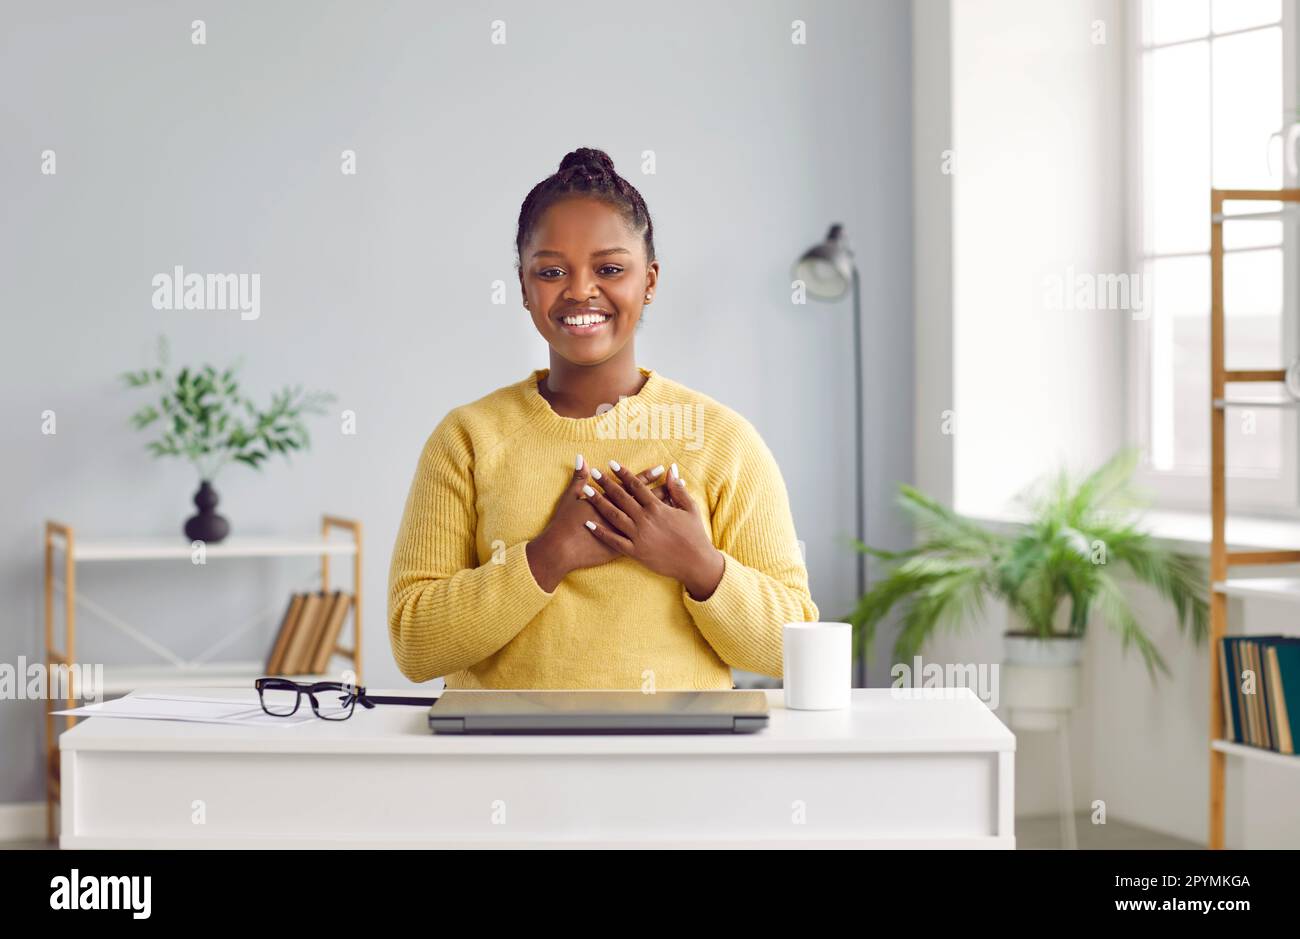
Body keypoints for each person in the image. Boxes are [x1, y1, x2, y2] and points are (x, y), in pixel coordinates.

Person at [387, 147, 818, 689]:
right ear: (523, 287)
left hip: (676, 762)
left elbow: (794, 649)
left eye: (610, 268)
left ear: (650, 281)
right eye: (551, 271)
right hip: (501, 761)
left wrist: (698, 565)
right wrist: (548, 556)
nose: (581, 290)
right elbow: (414, 644)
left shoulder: (722, 441)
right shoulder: (468, 438)